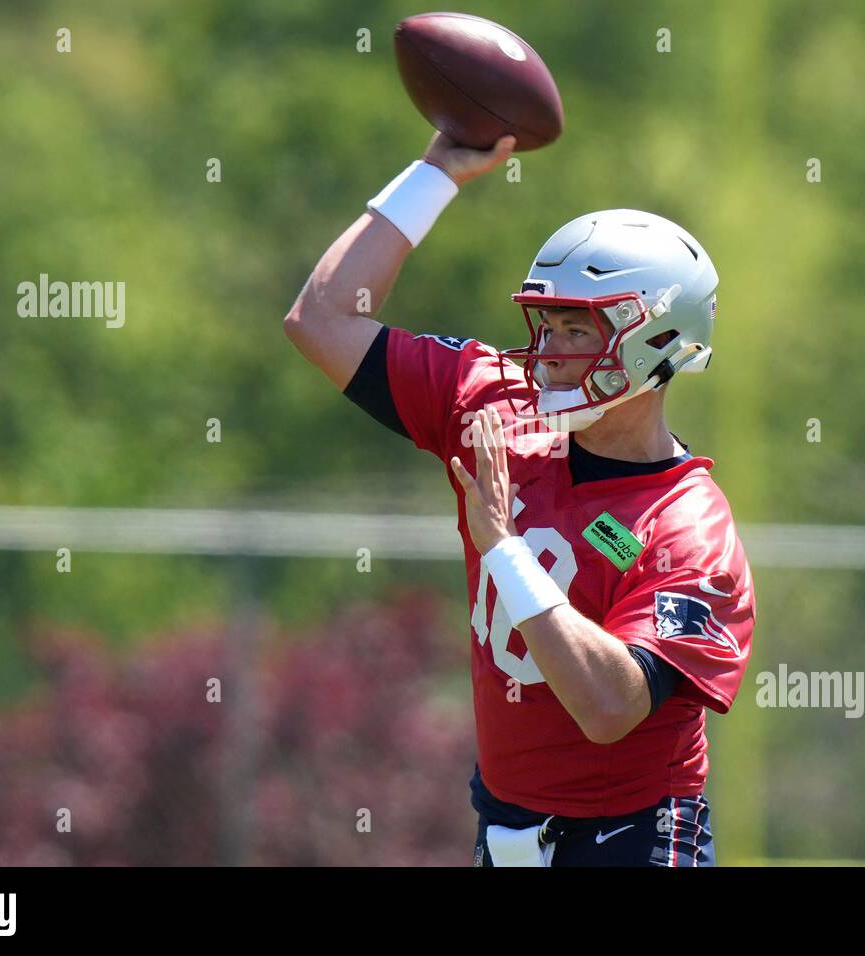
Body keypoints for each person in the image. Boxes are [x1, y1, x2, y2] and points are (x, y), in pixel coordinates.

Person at [285, 131, 756, 866]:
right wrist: (437, 172)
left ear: (658, 341)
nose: (551, 353)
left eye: (579, 329)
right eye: (548, 325)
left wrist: (505, 550)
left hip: (630, 838)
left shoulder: (686, 527)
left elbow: (607, 708)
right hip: (503, 827)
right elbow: (321, 319)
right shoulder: (496, 409)